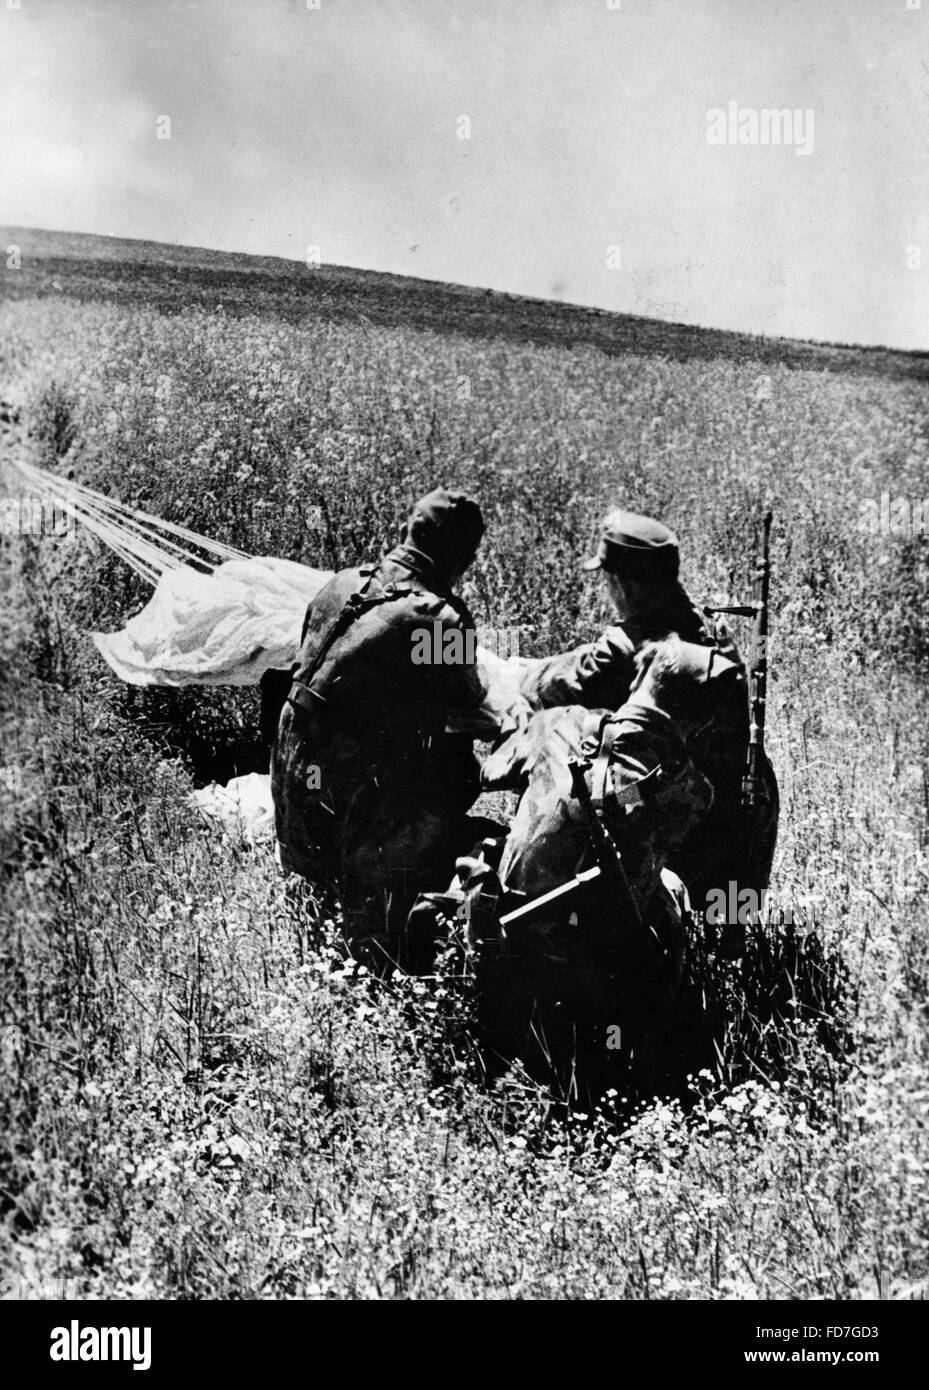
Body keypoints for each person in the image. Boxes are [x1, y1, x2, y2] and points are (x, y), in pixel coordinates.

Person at [271, 486, 490, 965]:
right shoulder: (436, 618)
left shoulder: (338, 585)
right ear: (462, 557)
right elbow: (469, 702)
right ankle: (388, 939)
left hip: (291, 780)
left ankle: (323, 922)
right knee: (459, 769)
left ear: (407, 531)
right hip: (349, 802)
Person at [521, 507, 777, 917]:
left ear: (624, 583)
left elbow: (555, 684)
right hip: (739, 823)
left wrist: (513, 671)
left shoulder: (628, 648)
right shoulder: (712, 634)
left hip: (678, 821)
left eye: (608, 579)